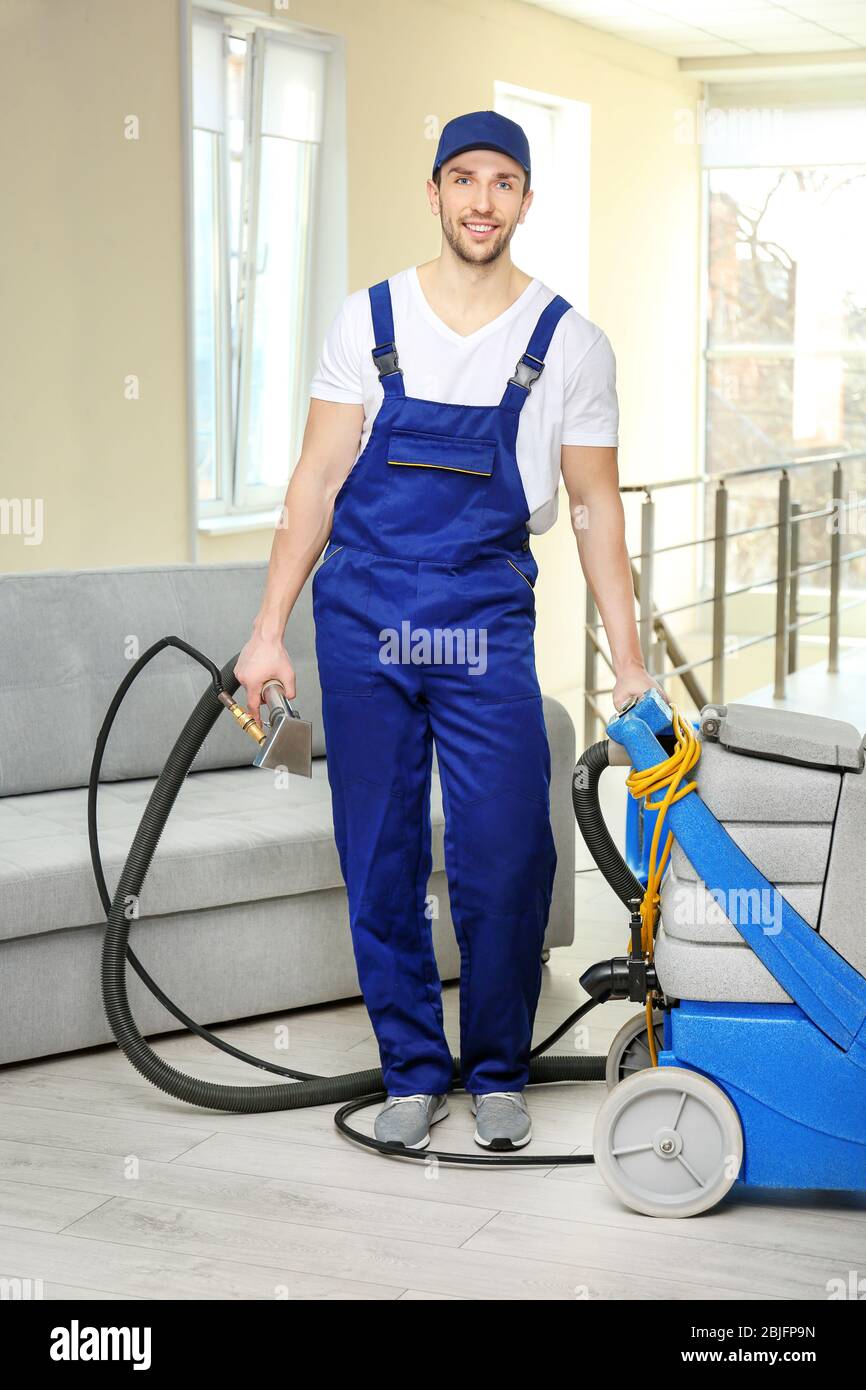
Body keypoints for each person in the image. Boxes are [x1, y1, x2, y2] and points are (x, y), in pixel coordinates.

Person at [235, 110, 658, 1152]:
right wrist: (266, 630)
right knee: (377, 852)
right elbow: (317, 481)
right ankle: (413, 1070)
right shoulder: (366, 318)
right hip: (364, 615)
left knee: (509, 851)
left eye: (502, 182)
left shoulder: (567, 342)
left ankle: (500, 1068)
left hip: (481, 621)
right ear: (432, 191)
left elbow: (595, 509)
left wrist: (628, 659)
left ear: (523, 200)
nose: (480, 199)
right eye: (461, 178)